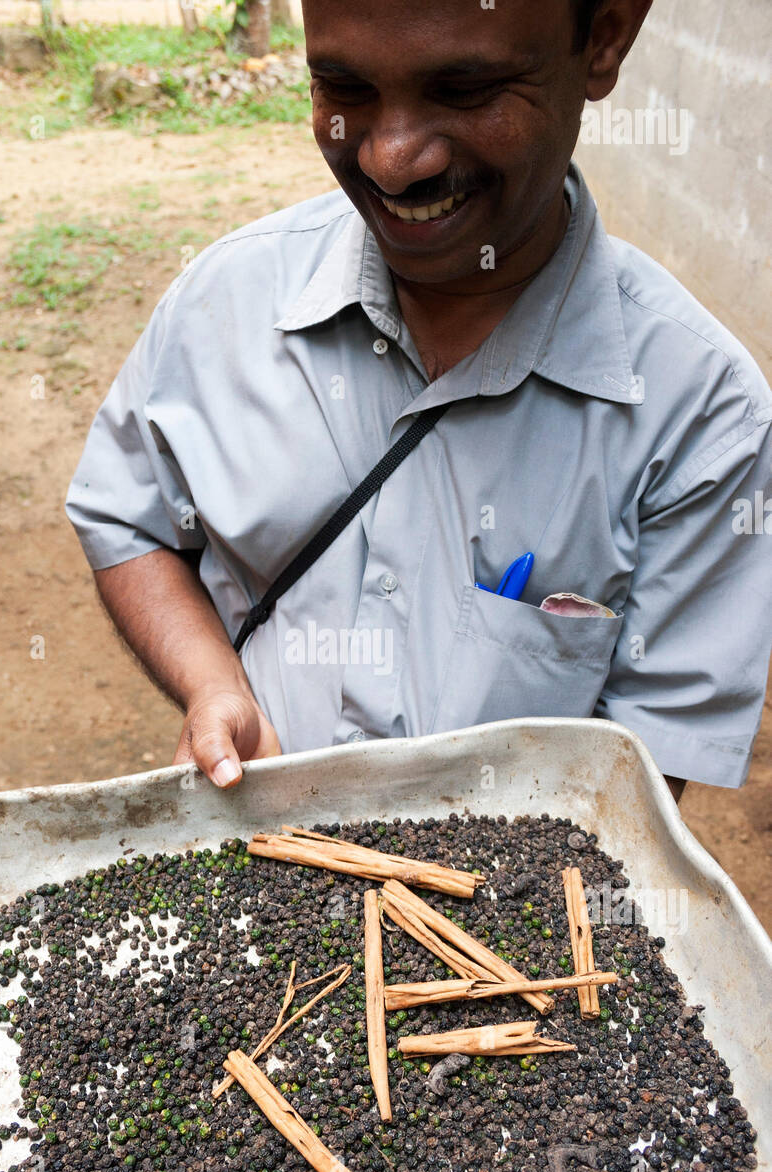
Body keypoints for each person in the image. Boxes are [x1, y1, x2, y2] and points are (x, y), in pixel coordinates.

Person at [66, 0, 772, 804]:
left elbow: (635, 791)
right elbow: (127, 516)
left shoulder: (704, 418)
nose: (394, 159)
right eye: (343, 86)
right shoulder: (222, 302)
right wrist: (210, 684)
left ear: (605, 36)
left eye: (466, 89)